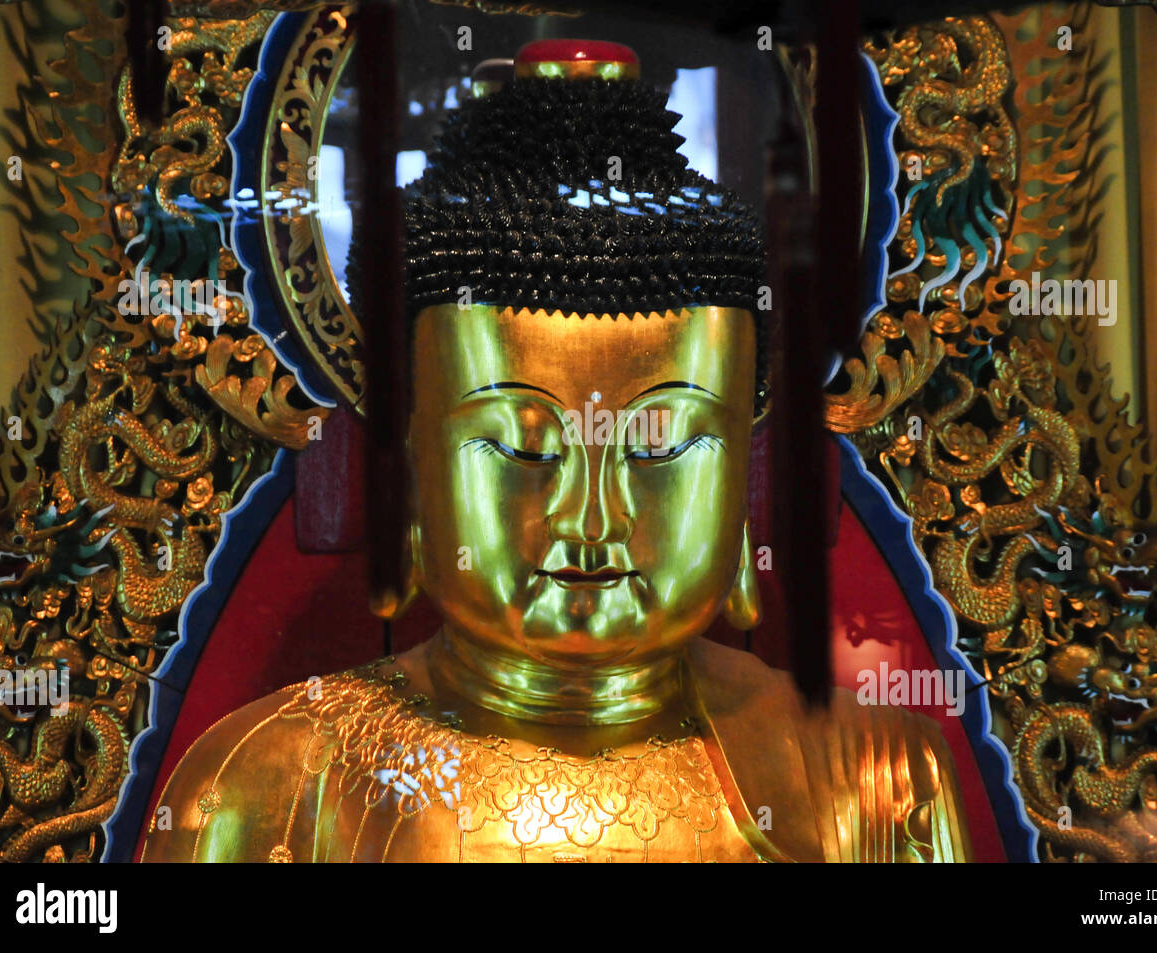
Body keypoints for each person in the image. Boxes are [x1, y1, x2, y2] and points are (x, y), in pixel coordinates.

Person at [142, 38, 970, 863]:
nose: (590, 519)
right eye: (519, 446)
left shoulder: (874, 784)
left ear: (741, 476)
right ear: (409, 469)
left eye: (658, 443)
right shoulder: (272, 785)